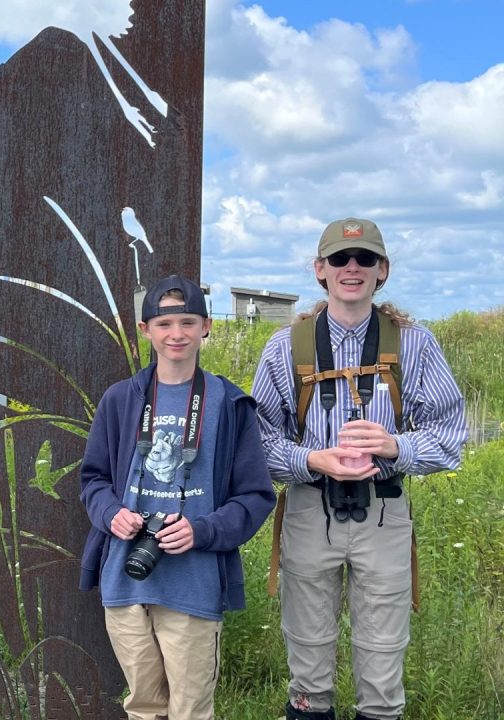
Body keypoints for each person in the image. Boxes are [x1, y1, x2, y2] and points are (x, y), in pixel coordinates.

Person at [252, 218, 466, 720]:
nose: (353, 268)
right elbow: (256, 443)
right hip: (309, 510)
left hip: (384, 516)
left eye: (365, 259)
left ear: (382, 271)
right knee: (306, 660)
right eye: (341, 260)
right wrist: (309, 459)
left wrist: (395, 447)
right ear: (320, 270)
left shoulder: (416, 345)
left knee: (383, 663)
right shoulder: (284, 347)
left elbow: (451, 436)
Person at [79, 274, 275, 720]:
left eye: (188, 322)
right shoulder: (121, 399)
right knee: (144, 706)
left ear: (206, 326)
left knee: (190, 710)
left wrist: (201, 530)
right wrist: (112, 515)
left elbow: (256, 496)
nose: (177, 334)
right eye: (164, 324)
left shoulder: (229, 403)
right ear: (146, 330)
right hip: (125, 578)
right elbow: (92, 480)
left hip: (193, 581)